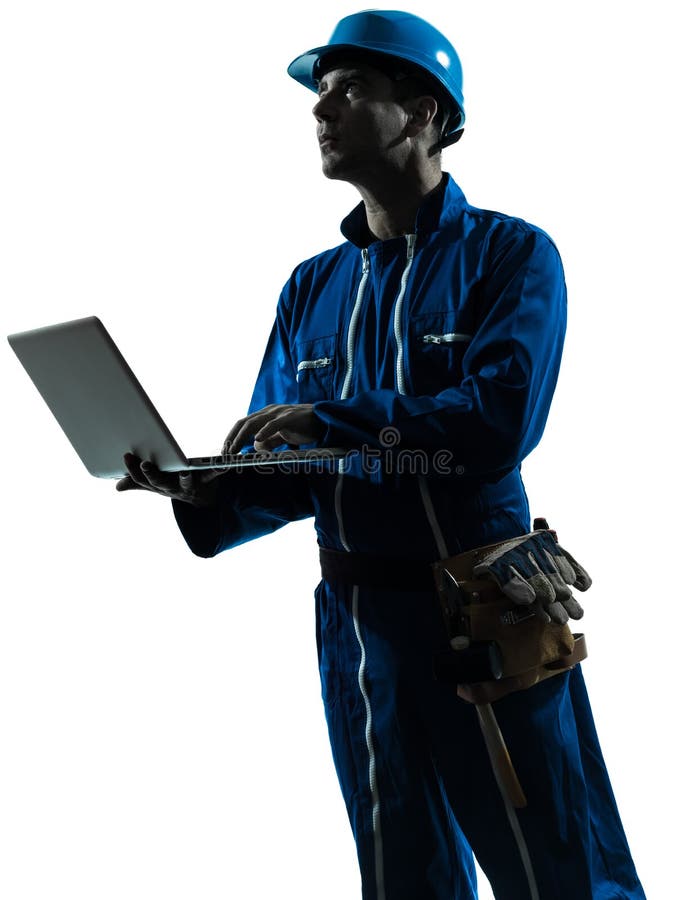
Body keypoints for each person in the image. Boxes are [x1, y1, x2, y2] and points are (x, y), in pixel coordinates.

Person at [117, 10, 644, 899]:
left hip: (486, 612)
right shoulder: (312, 287)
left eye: (350, 90)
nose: (321, 111)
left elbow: (494, 424)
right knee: (402, 872)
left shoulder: (513, 256)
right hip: (358, 629)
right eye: (319, 94)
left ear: (426, 113)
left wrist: (334, 425)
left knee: (558, 867)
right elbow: (285, 470)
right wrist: (195, 487)